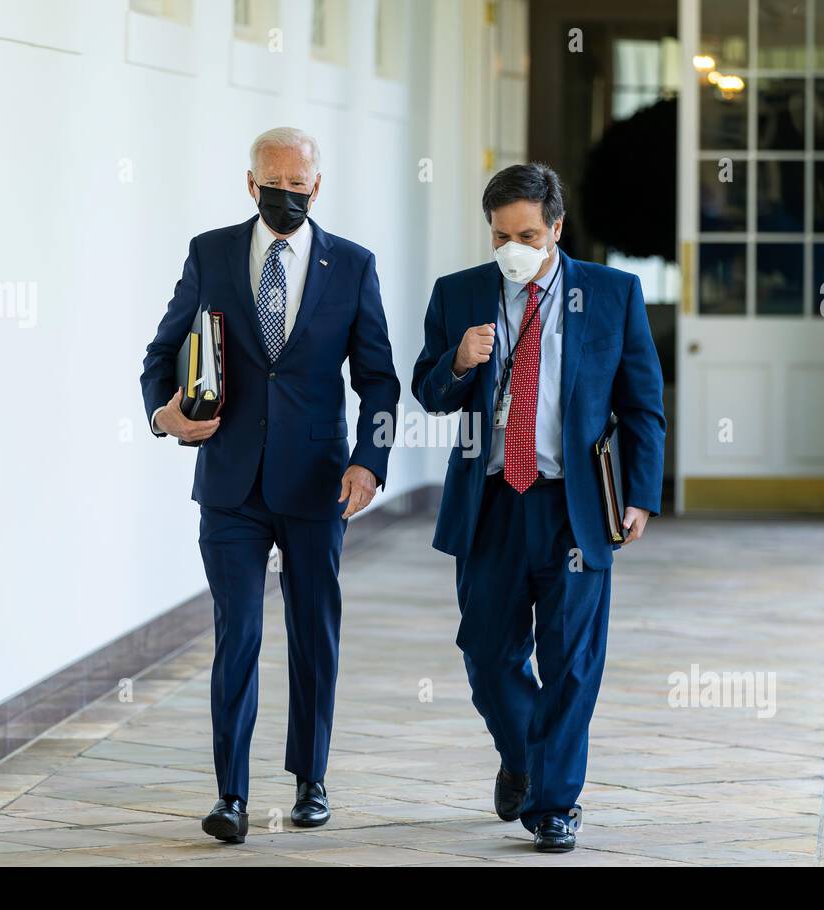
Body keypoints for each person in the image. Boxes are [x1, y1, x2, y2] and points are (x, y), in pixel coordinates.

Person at [140, 127, 399, 844]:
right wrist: (164, 416)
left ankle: (311, 780)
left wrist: (369, 461)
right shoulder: (211, 253)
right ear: (250, 184)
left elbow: (377, 380)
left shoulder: (353, 266)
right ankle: (231, 795)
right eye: (273, 184)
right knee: (239, 635)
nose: (287, 196)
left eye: (300, 185)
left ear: (318, 185)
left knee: (314, 633)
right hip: (229, 484)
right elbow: (161, 355)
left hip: (320, 483)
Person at [411, 163, 665, 852]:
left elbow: (642, 406)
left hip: (572, 506)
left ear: (556, 227)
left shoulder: (612, 295)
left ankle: (555, 802)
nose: (513, 247)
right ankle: (523, 753)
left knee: (572, 660)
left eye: (527, 233)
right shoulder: (459, 292)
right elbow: (428, 393)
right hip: (490, 503)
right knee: (487, 654)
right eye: (500, 235)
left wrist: (641, 494)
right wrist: (459, 362)